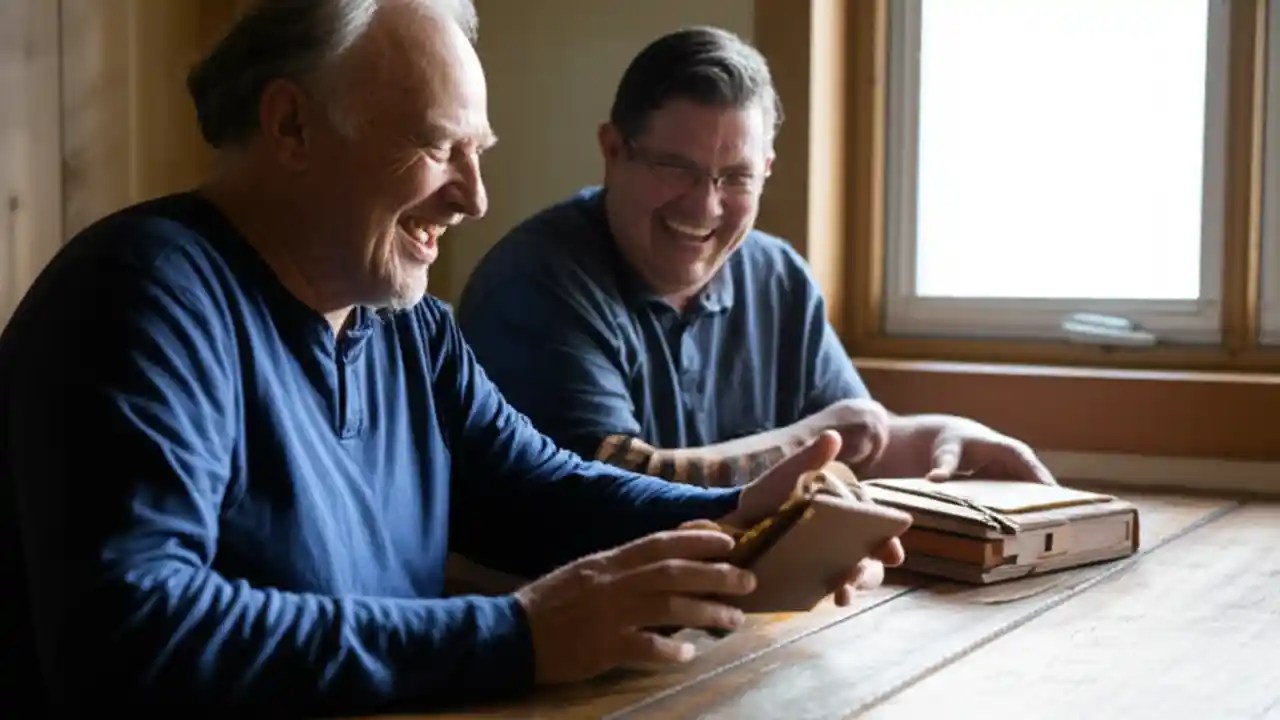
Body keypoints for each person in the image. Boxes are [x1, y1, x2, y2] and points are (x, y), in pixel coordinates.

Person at [0, 1, 902, 715]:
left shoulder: (409, 327)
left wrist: (746, 514)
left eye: (480, 153)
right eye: (439, 146)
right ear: (290, 126)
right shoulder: (144, 293)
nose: (474, 198)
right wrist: (516, 636)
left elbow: (538, 492)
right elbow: (134, 636)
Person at [457, 25, 1056, 492]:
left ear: (766, 171)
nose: (704, 205)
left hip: (747, 608)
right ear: (613, 151)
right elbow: (613, 487)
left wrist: (938, 438)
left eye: (735, 177)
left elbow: (852, 436)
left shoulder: (776, 276)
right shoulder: (538, 283)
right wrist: (813, 441)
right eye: (676, 168)